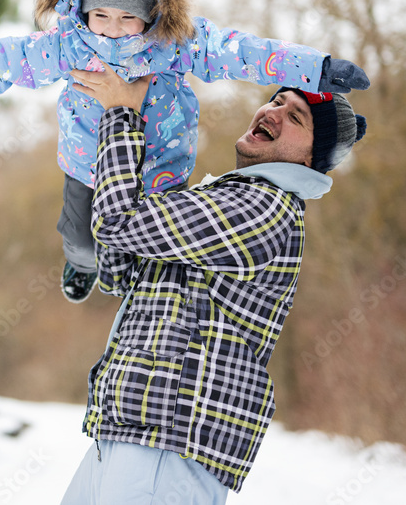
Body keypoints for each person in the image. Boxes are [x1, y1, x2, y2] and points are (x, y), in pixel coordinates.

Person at [0, 0, 368, 303]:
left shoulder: (177, 44)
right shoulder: (66, 46)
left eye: (128, 18)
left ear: (153, 14)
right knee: (84, 239)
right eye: (100, 16)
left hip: (163, 165)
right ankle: (82, 264)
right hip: (90, 164)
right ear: (81, 9)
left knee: (145, 246)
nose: (114, 30)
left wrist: (318, 69)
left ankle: (128, 286)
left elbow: (241, 52)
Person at [60, 62, 367, 503]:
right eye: (277, 101)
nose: (273, 112)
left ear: (308, 160)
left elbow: (117, 222)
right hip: (131, 434)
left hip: (169, 445)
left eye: (295, 117)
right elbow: (121, 274)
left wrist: (121, 115)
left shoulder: (265, 207)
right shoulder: (224, 196)